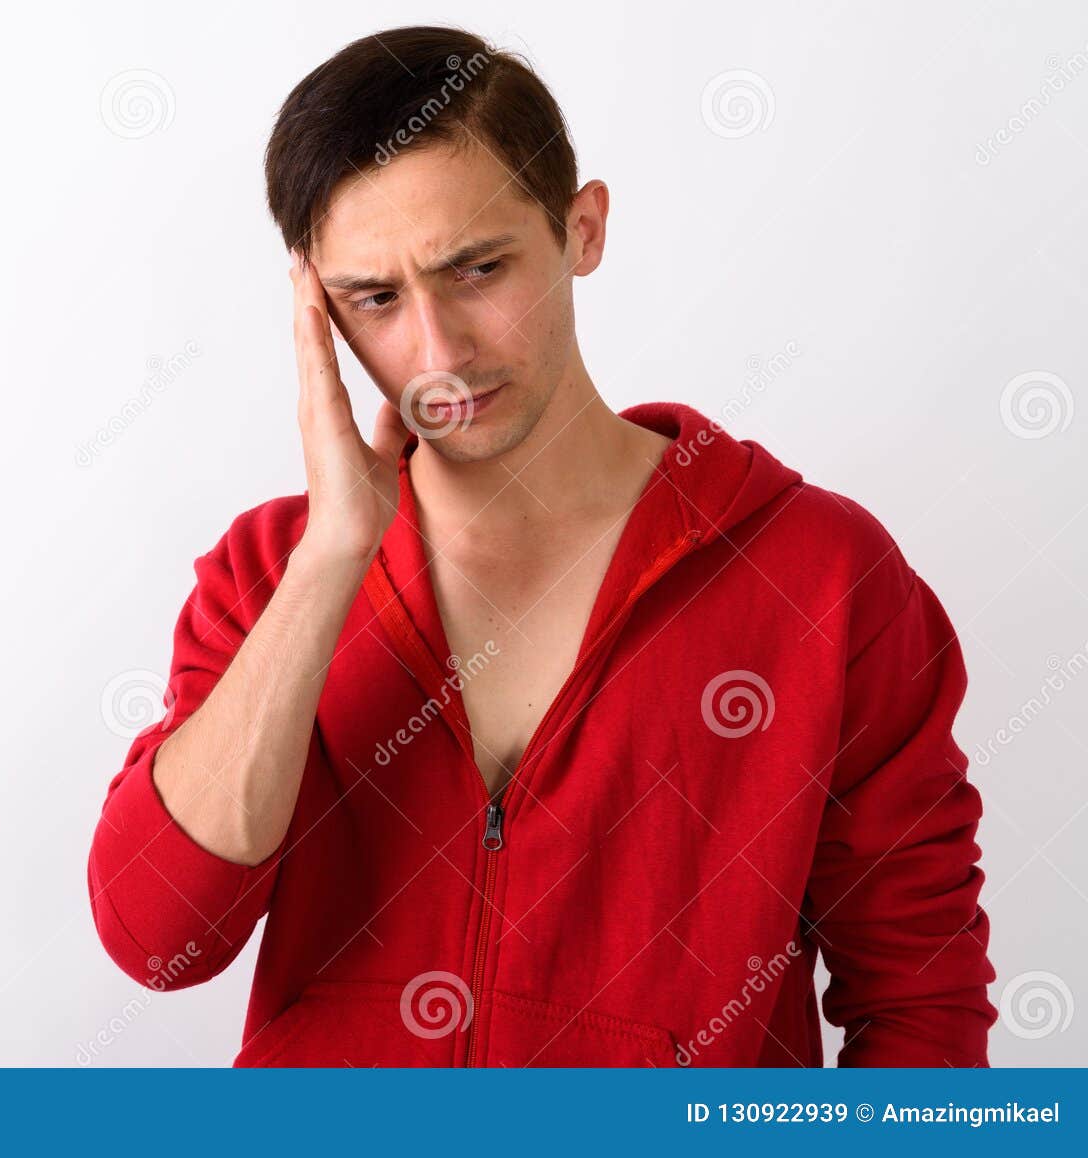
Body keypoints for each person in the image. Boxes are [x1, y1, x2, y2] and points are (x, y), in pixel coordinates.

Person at [87, 24, 996, 1067]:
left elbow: (920, 999)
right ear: (315, 309)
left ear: (582, 229)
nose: (437, 353)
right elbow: (159, 942)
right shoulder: (269, 573)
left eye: (476, 268)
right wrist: (334, 554)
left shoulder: (821, 577)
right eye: (374, 299)